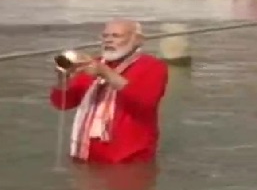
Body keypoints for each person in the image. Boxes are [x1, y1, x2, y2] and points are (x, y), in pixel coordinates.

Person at [50, 19, 169, 164]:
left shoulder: (153, 66)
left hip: (129, 160)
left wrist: (105, 73)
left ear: (137, 40)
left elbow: (145, 101)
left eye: (116, 36)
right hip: (85, 155)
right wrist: (63, 79)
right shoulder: (93, 64)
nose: (108, 40)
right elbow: (63, 104)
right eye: (105, 36)